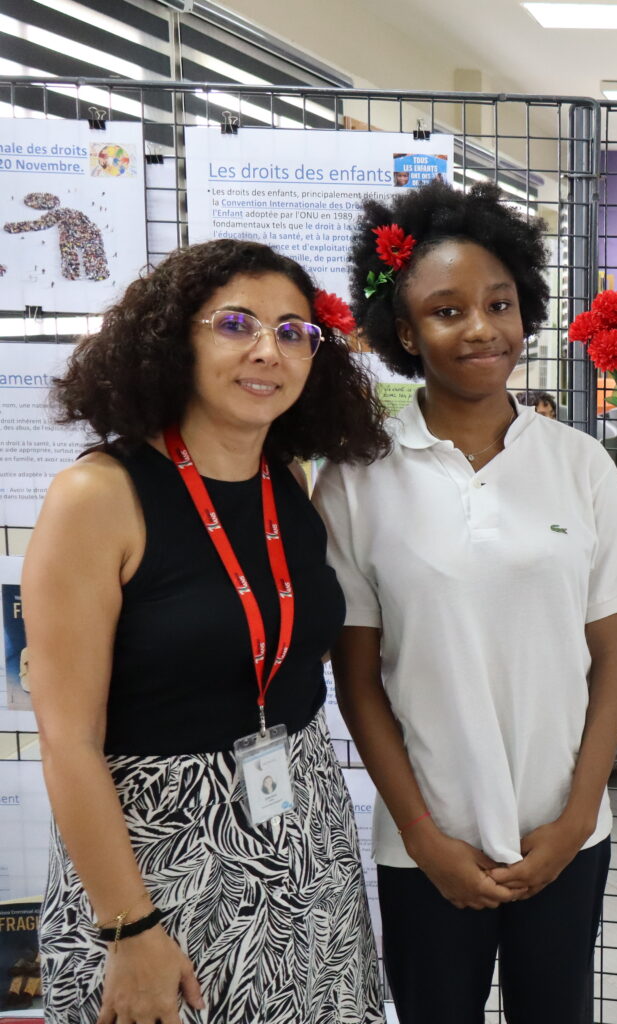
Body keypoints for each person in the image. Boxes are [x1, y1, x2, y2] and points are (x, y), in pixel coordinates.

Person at [28, 239, 389, 1024]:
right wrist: (130, 930)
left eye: (294, 331)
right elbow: (68, 742)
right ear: (172, 338)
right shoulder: (97, 496)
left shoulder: (286, 481)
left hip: (302, 838)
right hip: (154, 861)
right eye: (236, 323)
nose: (269, 349)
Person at [316, 181, 617, 1024]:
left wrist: (580, 816)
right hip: (429, 842)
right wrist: (424, 836)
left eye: (498, 304)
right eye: (446, 310)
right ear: (404, 331)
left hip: (563, 834)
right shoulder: (359, 477)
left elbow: (613, 658)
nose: (479, 329)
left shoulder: (581, 465)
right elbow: (357, 683)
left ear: (526, 311)